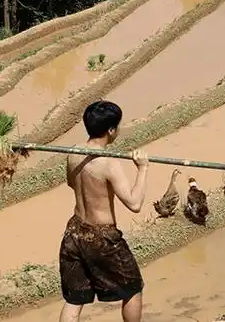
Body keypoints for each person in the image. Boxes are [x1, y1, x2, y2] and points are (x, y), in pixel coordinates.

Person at [58, 100, 149, 322]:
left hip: (74, 233)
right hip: (102, 238)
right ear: (111, 130)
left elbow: (72, 183)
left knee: (75, 299)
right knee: (133, 289)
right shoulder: (108, 163)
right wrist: (143, 168)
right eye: (118, 125)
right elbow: (134, 204)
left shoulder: (73, 153)